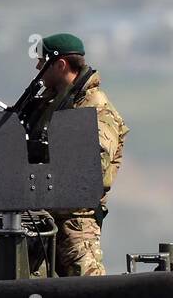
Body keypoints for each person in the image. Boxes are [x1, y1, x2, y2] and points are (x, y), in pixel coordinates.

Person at [35, 32, 128, 276]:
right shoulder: (53, 104)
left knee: (88, 290)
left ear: (60, 64)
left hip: (76, 223)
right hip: (42, 219)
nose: (37, 67)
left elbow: (94, 172)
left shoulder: (94, 108)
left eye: (42, 61)